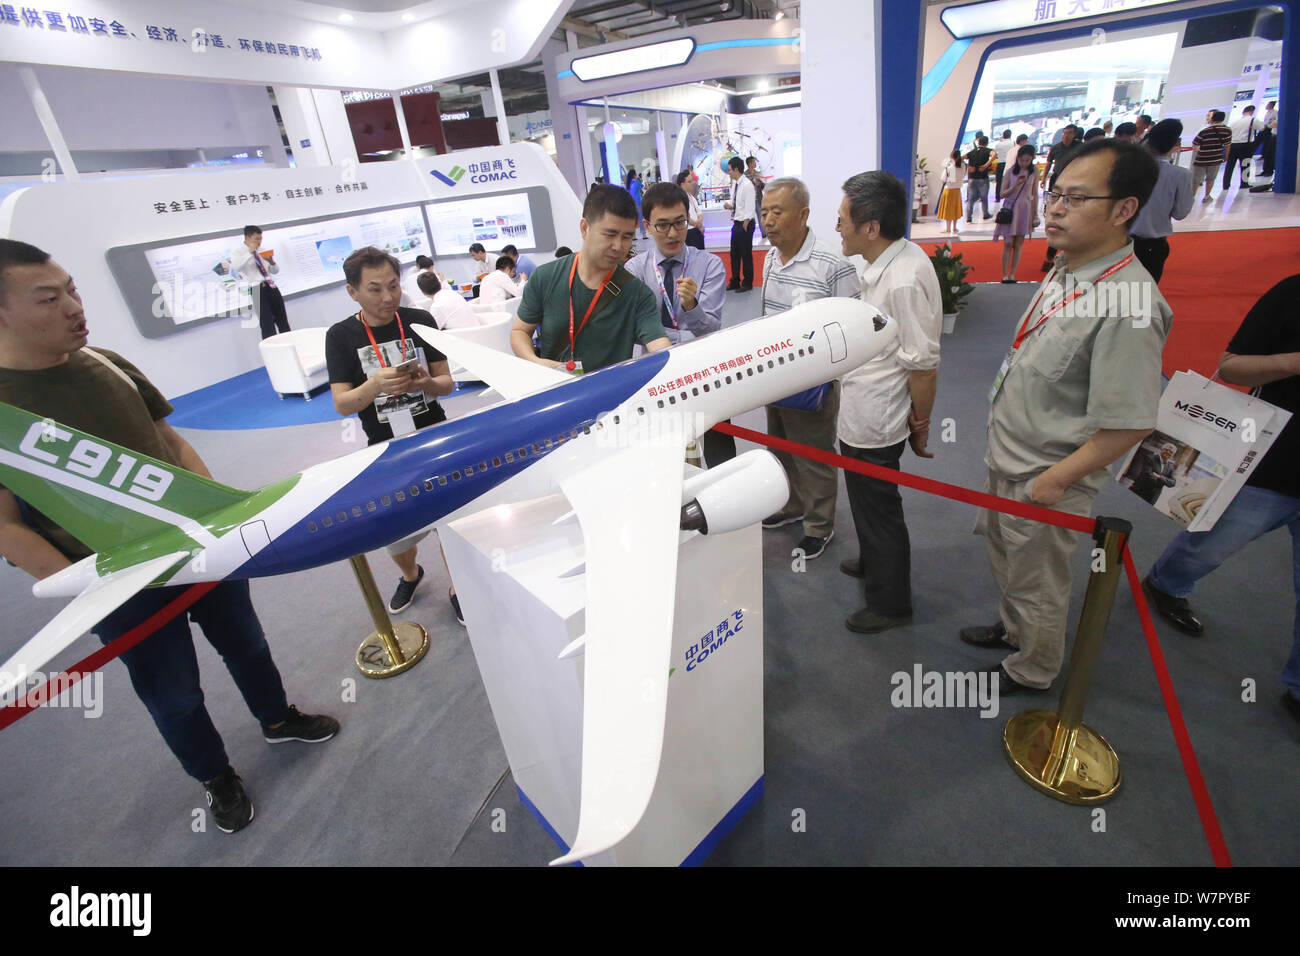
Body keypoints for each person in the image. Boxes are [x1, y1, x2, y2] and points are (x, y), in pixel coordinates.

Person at [0, 239, 338, 834]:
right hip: (119, 581)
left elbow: (172, 444)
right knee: (174, 693)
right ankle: (214, 775)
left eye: (73, 289)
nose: (75, 307)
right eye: (50, 299)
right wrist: (87, 587)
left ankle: (277, 718)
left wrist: (214, 523)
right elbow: (8, 528)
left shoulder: (107, 363)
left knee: (249, 645)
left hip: (198, 551)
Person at [963, 138, 1171, 694]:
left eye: (1076, 198)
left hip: (1048, 474)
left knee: (1039, 581)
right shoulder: (1068, 266)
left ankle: (1033, 668)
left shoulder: (1130, 304)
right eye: (1055, 193)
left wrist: (1054, 481)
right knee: (1008, 560)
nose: (1054, 208)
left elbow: (1131, 423)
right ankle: (1014, 633)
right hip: (1010, 454)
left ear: (1124, 209)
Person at [1141, 275, 1300, 729]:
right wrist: (1292, 362)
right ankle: (1166, 584)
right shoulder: (1292, 293)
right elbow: (1231, 367)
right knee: (1207, 546)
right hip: (1273, 465)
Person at [835, 172, 942, 633]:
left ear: (871, 227)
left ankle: (890, 601)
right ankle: (873, 561)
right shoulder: (886, 262)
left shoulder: (902, 279)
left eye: (842, 220)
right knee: (864, 497)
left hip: (879, 413)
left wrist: (921, 424)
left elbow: (923, 365)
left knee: (879, 505)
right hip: (862, 403)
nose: (837, 227)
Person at [325, 247, 458, 619]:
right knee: (395, 526)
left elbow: (446, 383)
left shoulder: (419, 319)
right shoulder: (340, 336)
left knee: (451, 514)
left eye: (394, 286)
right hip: (384, 446)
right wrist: (375, 385)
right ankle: (411, 574)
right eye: (374, 289)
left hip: (435, 434)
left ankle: (458, 584)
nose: (387, 298)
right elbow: (343, 404)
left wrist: (427, 382)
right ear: (353, 291)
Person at [759, 176, 860, 560]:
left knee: (814, 453)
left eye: (777, 212)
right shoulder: (770, 257)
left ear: (803, 214)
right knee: (780, 446)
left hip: (812, 381)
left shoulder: (832, 264)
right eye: (764, 211)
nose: (768, 220)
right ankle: (792, 505)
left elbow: (853, 323)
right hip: (771, 376)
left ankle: (819, 525)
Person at [627, 181, 731, 466]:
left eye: (680, 223)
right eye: (663, 225)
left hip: (705, 370)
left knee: (719, 448)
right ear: (647, 226)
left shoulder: (710, 265)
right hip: (656, 375)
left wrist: (692, 306)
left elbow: (711, 328)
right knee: (668, 452)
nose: (673, 233)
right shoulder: (634, 270)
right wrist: (681, 335)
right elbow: (635, 332)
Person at [510, 184, 667, 372]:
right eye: (610, 234)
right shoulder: (545, 277)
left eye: (627, 237)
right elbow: (520, 331)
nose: (618, 246)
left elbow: (660, 347)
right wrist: (538, 364)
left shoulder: (637, 295)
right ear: (585, 228)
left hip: (611, 395)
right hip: (554, 389)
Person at [1130, 119, 1194, 284]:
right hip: (1152, 244)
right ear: (1175, 143)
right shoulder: (1180, 175)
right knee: (1144, 294)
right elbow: (1180, 213)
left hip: (1120, 241)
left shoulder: (1130, 168)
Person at [229, 225, 290, 339]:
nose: (259, 241)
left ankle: (290, 344)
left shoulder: (262, 250)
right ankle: (272, 351)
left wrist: (272, 262)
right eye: (256, 239)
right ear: (247, 238)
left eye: (260, 238)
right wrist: (250, 253)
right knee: (267, 323)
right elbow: (237, 267)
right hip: (257, 289)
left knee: (282, 319)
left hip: (271, 286)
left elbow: (275, 271)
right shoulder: (238, 252)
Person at [993, 144, 1041, 283]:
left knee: (1019, 244)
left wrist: (1035, 214)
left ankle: (1013, 273)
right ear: (1017, 158)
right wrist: (1016, 186)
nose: (1024, 163)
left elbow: (1034, 194)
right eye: (1022, 160)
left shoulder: (1035, 172)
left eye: (1027, 160)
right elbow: (1002, 193)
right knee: (1008, 244)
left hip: (1025, 209)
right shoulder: (1010, 172)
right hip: (1011, 209)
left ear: (1031, 159)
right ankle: (1004, 274)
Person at [1040, 125, 1083, 271]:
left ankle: (1071, 257)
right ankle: (1049, 257)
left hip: (1075, 188)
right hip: (1057, 186)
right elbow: (1049, 164)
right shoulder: (1056, 148)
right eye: (1065, 133)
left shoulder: (1080, 148)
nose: (1066, 136)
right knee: (1056, 222)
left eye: (1069, 133)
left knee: (1072, 224)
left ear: (1074, 135)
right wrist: (1044, 178)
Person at [723, 156, 757, 291]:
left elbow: (750, 207)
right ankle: (735, 280)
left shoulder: (747, 185)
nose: (729, 173)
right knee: (734, 254)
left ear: (736, 169)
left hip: (745, 224)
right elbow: (738, 204)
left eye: (730, 170)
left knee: (745, 254)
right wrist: (730, 206)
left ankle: (747, 282)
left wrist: (745, 223)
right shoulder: (736, 184)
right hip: (737, 223)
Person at [1191, 111, 1232, 203]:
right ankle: (1207, 196)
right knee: (1211, 178)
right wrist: (1226, 156)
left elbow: (1195, 143)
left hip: (1201, 158)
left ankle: (1192, 197)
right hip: (1216, 158)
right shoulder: (1227, 130)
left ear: (1213, 119)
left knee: (1196, 179)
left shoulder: (1205, 130)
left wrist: (1199, 150)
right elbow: (1227, 145)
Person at [1224, 105, 1259, 191]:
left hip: (1233, 145)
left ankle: (1226, 184)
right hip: (1245, 145)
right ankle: (1244, 184)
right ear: (1252, 111)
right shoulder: (1253, 120)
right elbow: (1262, 128)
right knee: (1245, 164)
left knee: (1229, 166)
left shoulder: (1234, 122)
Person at [964, 135, 994, 222]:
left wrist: (968, 166)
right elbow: (994, 154)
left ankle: (969, 217)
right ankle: (985, 214)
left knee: (971, 198)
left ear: (978, 142)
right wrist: (986, 165)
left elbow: (961, 157)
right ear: (987, 143)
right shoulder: (987, 150)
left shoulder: (973, 151)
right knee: (984, 197)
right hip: (983, 178)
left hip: (972, 178)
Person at [936, 150, 965, 235]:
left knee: (948, 210)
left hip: (949, 190)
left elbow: (943, 179)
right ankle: (955, 227)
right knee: (956, 209)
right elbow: (963, 176)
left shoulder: (949, 168)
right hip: (957, 190)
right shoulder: (964, 166)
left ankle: (948, 228)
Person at [676, 169, 706, 250]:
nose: (692, 183)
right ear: (682, 184)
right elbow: (685, 217)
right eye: (689, 182)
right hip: (689, 232)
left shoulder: (691, 196)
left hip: (696, 230)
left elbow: (699, 212)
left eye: (692, 181)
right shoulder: (679, 199)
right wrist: (697, 224)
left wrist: (699, 223)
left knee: (701, 256)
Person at [745, 156, 767, 238]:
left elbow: (763, 186)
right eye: (754, 162)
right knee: (749, 217)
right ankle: (747, 234)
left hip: (758, 198)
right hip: (749, 199)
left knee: (761, 215)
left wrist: (760, 184)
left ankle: (764, 233)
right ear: (749, 164)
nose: (755, 164)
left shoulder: (758, 174)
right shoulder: (745, 175)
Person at [993, 130, 1016, 201]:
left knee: (999, 181)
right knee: (1011, 180)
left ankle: (998, 197)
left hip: (1000, 163)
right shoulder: (1013, 143)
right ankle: (1010, 196)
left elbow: (995, 154)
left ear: (1003, 135)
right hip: (1010, 163)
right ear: (1010, 135)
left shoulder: (998, 144)